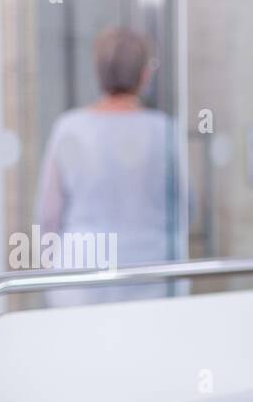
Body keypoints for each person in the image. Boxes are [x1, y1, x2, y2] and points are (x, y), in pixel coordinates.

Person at [33, 26, 175, 300]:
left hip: (80, 276)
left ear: (97, 72)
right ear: (145, 74)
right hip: (150, 276)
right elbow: (184, 208)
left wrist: (48, 271)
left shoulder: (69, 128)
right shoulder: (164, 130)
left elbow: (48, 216)